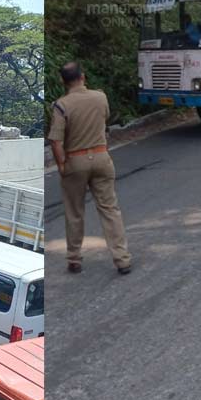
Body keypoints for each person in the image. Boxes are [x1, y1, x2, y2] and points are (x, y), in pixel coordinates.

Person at [48, 62, 132, 274]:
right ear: (83, 77)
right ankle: (122, 259)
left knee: (74, 211)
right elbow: (103, 121)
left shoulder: (61, 105)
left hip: (75, 161)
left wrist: (62, 166)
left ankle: (74, 258)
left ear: (62, 81)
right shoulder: (100, 98)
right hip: (102, 157)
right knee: (110, 209)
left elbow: (56, 141)